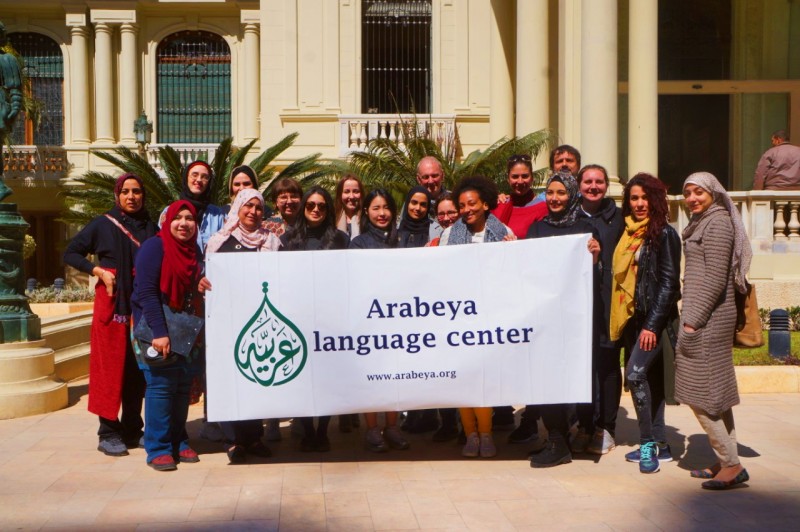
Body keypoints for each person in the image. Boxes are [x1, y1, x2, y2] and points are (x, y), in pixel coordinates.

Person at [63, 173, 157, 456]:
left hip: (140, 304)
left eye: (137, 191)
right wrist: (98, 271)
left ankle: (132, 430)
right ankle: (108, 431)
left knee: (136, 369)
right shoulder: (102, 224)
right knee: (109, 367)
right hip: (112, 304)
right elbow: (70, 253)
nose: (132, 196)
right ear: (117, 195)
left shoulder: (150, 227)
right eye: (126, 191)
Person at [677, 172, 752, 490]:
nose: (692, 198)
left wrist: (693, 320)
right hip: (706, 318)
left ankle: (731, 465)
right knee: (716, 396)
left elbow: (716, 278)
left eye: (698, 192)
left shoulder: (718, 222)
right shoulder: (702, 221)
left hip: (707, 320)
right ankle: (727, 460)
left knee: (701, 395)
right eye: (688, 193)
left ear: (713, 193)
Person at [526, 171, 601, 468]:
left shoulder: (585, 229)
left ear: (572, 195)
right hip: (544, 318)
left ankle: (565, 439)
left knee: (567, 378)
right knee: (545, 378)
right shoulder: (536, 229)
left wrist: (595, 256)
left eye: (561, 193)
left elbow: (592, 273)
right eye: (551, 193)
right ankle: (555, 438)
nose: (555, 199)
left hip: (572, 321)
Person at [439, 176, 516, 458]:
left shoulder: (503, 232)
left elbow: (513, 273)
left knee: (484, 380)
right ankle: (470, 434)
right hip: (458, 318)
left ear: (485, 203)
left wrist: (512, 252)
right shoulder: (450, 235)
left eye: (471, 203)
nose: (466, 209)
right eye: (461, 205)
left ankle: (486, 434)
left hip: (490, 318)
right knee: (464, 380)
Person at [608, 173, 681, 474]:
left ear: (656, 200)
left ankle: (649, 443)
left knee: (636, 375)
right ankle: (661, 443)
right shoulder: (627, 233)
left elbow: (668, 284)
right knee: (650, 380)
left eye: (644, 198)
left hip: (655, 322)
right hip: (633, 319)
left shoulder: (664, 234)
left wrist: (652, 325)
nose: (639, 204)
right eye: (634, 198)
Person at [201, 188, 280, 463]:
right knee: (231, 380)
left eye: (259, 208)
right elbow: (209, 279)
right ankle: (233, 439)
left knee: (257, 378)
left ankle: (253, 437)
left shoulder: (271, 240)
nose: (253, 212)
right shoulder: (219, 241)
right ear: (238, 207)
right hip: (228, 323)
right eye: (248, 206)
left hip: (261, 321)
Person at [131, 200, 204, 471]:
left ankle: (178, 440)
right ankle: (158, 447)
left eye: (190, 218)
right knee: (161, 386)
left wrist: (200, 282)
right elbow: (147, 292)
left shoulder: (193, 250)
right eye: (178, 218)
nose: (184, 223)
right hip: (156, 328)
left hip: (184, 328)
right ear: (167, 220)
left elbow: (189, 281)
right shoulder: (155, 246)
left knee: (182, 387)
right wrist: (160, 334)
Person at [280, 187, 350, 451]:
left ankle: (323, 431)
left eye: (321, 206)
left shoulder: (341, 240)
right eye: (311, 205)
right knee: (302, 379)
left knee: (327, 380)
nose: (316, 210)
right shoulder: (288, 241)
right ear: (303, 208)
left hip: (330, 320)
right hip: (297, 320)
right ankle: (307, 430)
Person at [349, 189, 409, 452]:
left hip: (397, 322)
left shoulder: (402, 242)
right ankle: (373, 429)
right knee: (372, 379)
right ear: (366, 212)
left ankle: (392, 427)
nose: (382, 213)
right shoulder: (359, 244)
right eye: (375, 208)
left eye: (386, 208)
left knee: (395, 378)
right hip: (369, 323)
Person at [575, 164, 625, 455]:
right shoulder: (570, 216)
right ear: (579, 184)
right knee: (582, 366)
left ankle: (607, 428)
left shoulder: (619, 218)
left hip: (609, 305)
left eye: (599, 182)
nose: (593, 186)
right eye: (588, 181)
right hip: (578, 306)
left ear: (607, 186)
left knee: (607, 366)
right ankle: (584, 425)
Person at [492, 154, 548, 238]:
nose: (520, 181)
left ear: (532, 178)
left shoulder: (542, 208)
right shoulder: (500, 205)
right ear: (508, 179)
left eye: (525, 176)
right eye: (515, 177)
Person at [334, 173, 365, 238]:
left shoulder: (367, 220)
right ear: (340, 195)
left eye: (356, 191)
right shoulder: (332, 220)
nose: (351, 196)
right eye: (347, 191)